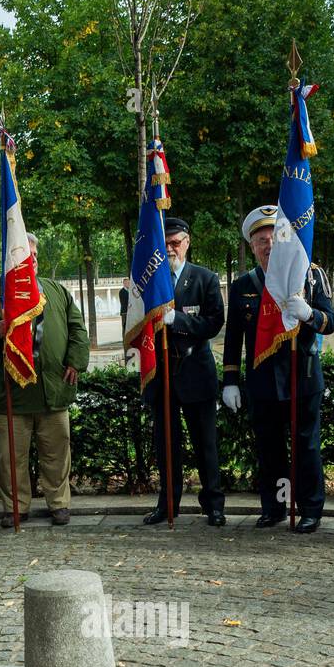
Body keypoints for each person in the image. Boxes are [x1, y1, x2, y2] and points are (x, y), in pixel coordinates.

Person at [0, 232, 89, 527]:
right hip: (12, 395)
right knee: (11, 458)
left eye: (33, 256)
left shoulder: (56, 291)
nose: (30, 260)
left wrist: (75, 361)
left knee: (57, 452)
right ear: (10, 260)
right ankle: (15, 507)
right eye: (23, 255)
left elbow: (77, 329)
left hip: (53, 391)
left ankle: (59, 504)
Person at [222, 205, 334, 532]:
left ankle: (310, 509)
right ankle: (275, 507)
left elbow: (331, 323)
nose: (269, 245)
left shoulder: (309, 277)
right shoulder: (243, 284)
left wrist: (309, 315)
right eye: (261, 240)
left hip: (304, 378)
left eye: (275, 237)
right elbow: (233, 338)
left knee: (306, 448)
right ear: (252, 246)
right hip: (263, 381)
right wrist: (230, 379)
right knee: (269, 449)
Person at [142, 216, 226, 526]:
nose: (170, 249)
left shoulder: (204, 278)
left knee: (206, 444)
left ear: (187, 243)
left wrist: (178, 319)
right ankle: (167, 504)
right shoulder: (150, 280)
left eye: (175, 243)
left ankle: (214, 506)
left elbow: (214, 323)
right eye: (164, 244)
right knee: (166, 446)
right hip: (161, 375)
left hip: (195, 370)